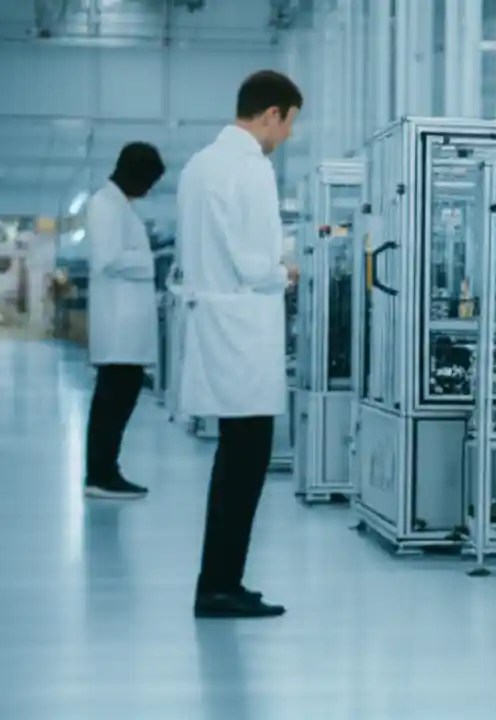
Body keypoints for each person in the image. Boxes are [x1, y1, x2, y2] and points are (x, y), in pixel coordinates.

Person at [176, 70, 302, 619]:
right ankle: (219, 587)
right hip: (243, 330)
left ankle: (222, 580)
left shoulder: (200, 164)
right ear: (271, 113)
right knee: (243, 466)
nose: (287, 136)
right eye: (290, 123)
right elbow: (255, 263)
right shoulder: (252, 169)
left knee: (234, 463)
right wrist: (286, 271)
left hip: (218, 325)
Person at [84, 143, 166, 499]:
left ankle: (106, 470)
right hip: (118, 325)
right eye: (148, 181)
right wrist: (149, 262)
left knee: (119, 399)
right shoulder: (104, 205)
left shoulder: (119, 207)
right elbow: (107, 258)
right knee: (112, 401)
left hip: (125, 325)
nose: (148, 190)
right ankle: (101, 475)